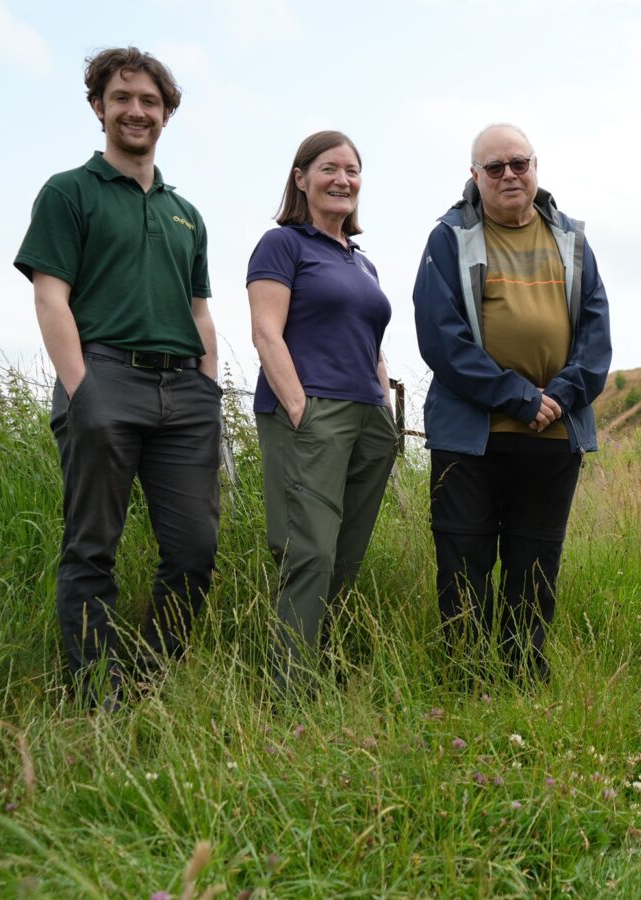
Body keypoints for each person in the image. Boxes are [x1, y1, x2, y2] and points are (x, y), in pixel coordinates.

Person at [13, 47, 221, 708]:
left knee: (194, 552)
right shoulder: (68, 192)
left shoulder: (185, 212)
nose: (137, 111)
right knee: (91, 549)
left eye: (150, 101)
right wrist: (83, 391)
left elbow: (200, 312)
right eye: (123, 98)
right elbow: (51, 297)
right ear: (98, 107)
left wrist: (209, 388)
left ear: (166, 114)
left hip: (185, 394)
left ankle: (148, 680)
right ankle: (95, 693)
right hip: (104, 376)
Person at [413, 123, 611, 683]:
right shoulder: (449, 239)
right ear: (474, 177)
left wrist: (558, 399)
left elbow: (596, 338)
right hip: (469, 436)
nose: (508, 176)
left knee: (535, 562)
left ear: (535, 167)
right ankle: (466, 679)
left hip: (553, 438)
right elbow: (440, 337)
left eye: (518, 164)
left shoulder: (572, 241)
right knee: (463, 561)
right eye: (494, 168)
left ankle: (525, 678)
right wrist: (519, 398)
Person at [247, 131, 398, 690]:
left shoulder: (363, 264)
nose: (343, 180)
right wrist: (299, 409)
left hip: (368, 418)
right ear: (301, 178)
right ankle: (289, 690)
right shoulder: (283, 245)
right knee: (308, 552)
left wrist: (383, 406)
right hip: (311, 412)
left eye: (353, 170)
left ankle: (324, 671)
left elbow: (371, 344)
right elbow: (266, 332)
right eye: (329, 168)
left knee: (345, 555)